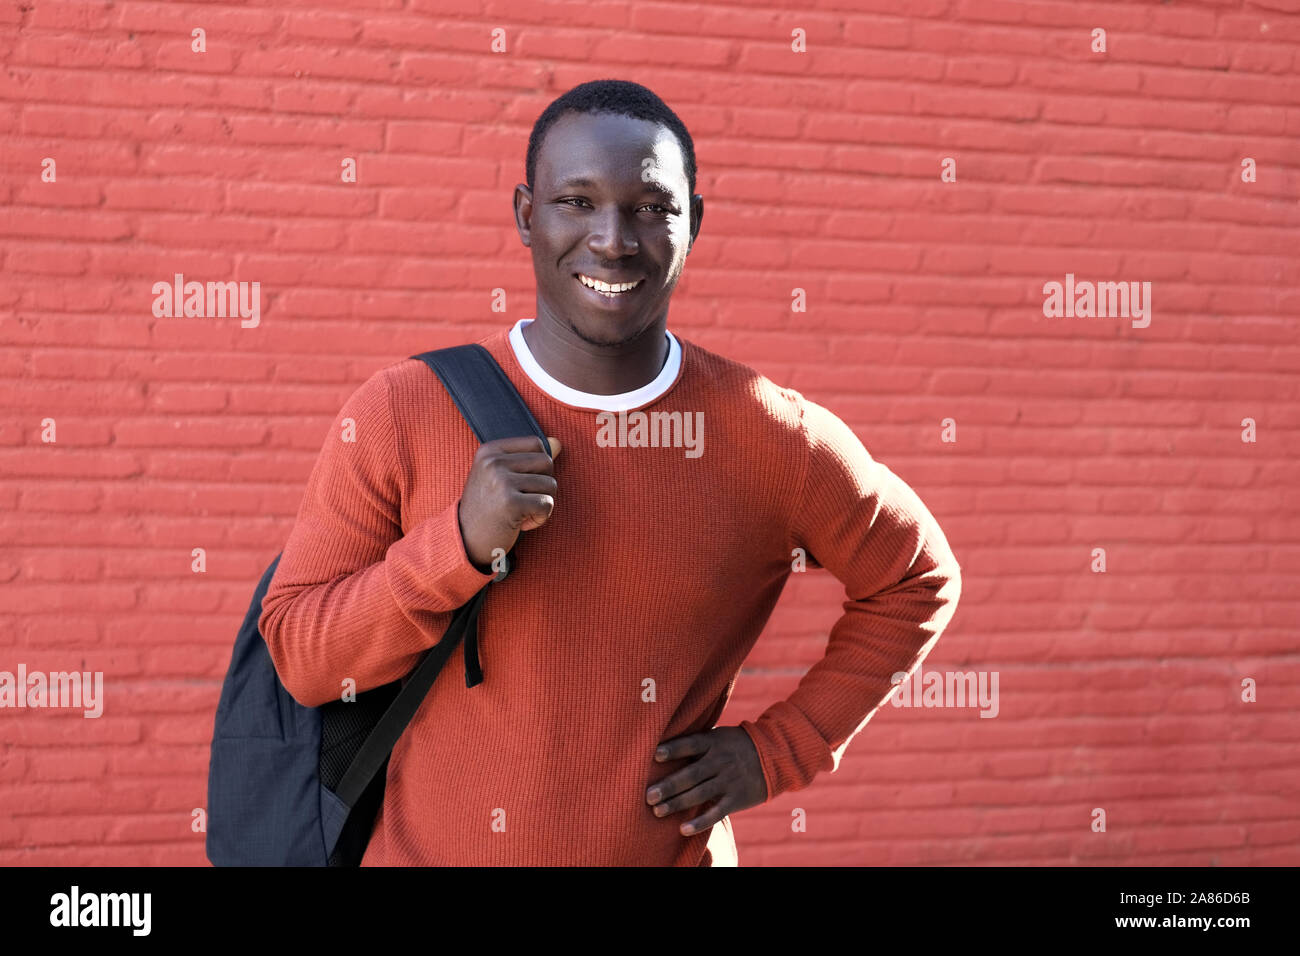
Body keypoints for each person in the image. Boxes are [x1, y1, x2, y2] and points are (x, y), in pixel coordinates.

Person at [259, 78, 962, 866]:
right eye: (578, 202)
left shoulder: (766, 433)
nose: (614, 239)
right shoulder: (402, 409)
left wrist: (778, 751)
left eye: (653, 208)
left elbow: (917, 578)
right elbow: (304, 658)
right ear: (528, 215)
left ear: (695, 222)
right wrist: (455, 546)